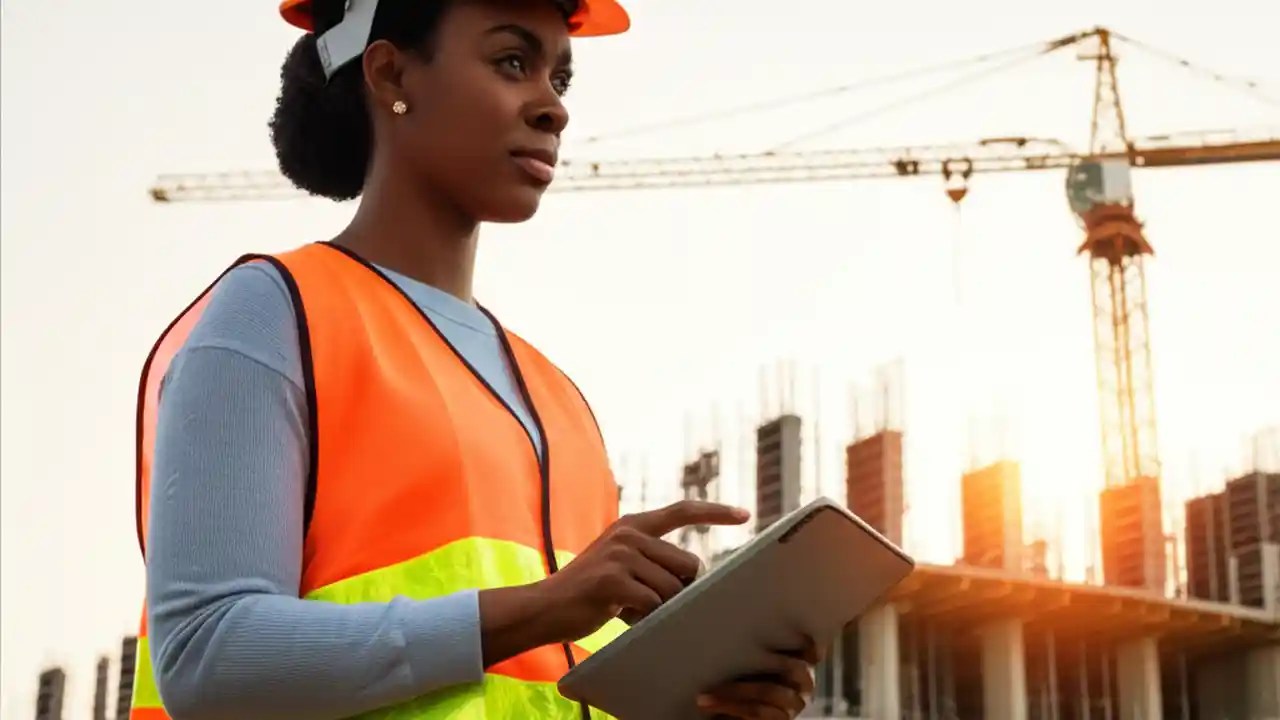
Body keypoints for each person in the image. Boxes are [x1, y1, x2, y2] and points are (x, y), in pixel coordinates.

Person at [131, 1, 821, 718]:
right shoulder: (275, 313)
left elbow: (529, 690)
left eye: (562, 78)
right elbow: (205, 656)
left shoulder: (560, 400)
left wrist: (699, 705)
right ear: (392, 73)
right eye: (512, 63)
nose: (552, 108)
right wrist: (541, 607)